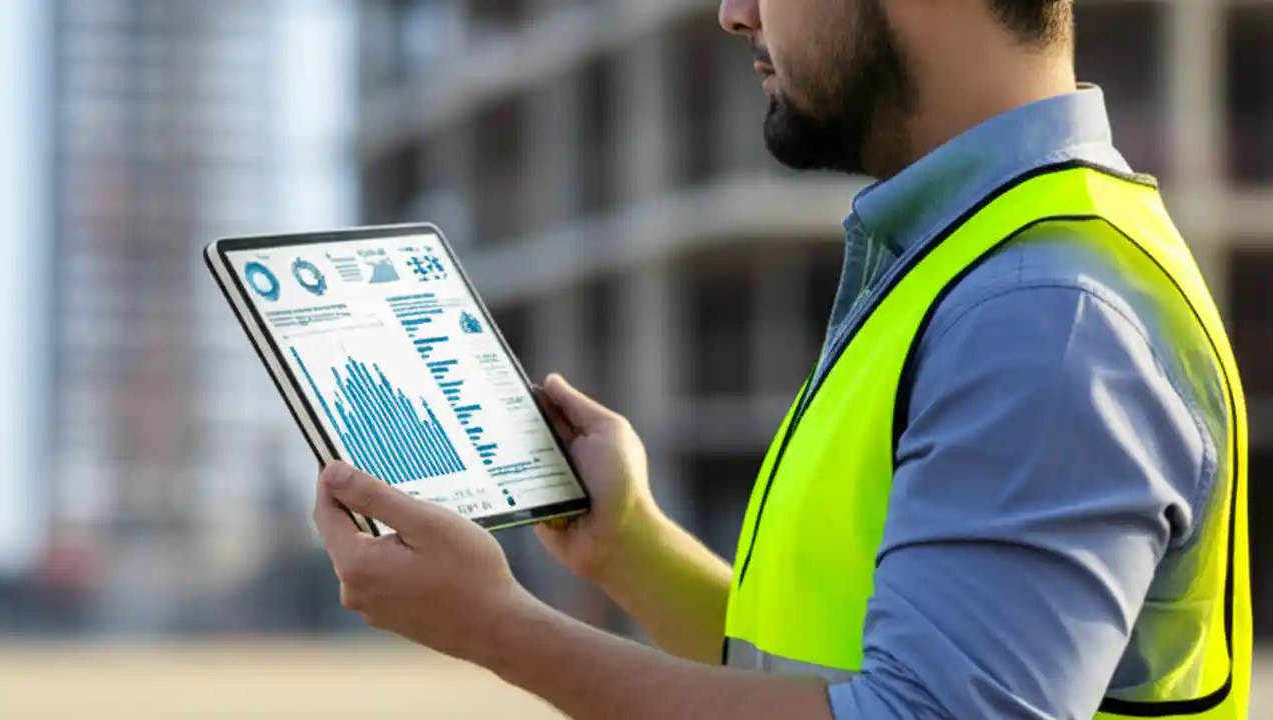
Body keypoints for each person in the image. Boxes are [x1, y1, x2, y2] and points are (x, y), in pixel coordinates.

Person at [312, 0, 1251, 717]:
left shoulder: (1042, 309)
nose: (735, 13)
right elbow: (832, 671)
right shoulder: (994, 262)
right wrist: (631, 547)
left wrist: (500, 629)